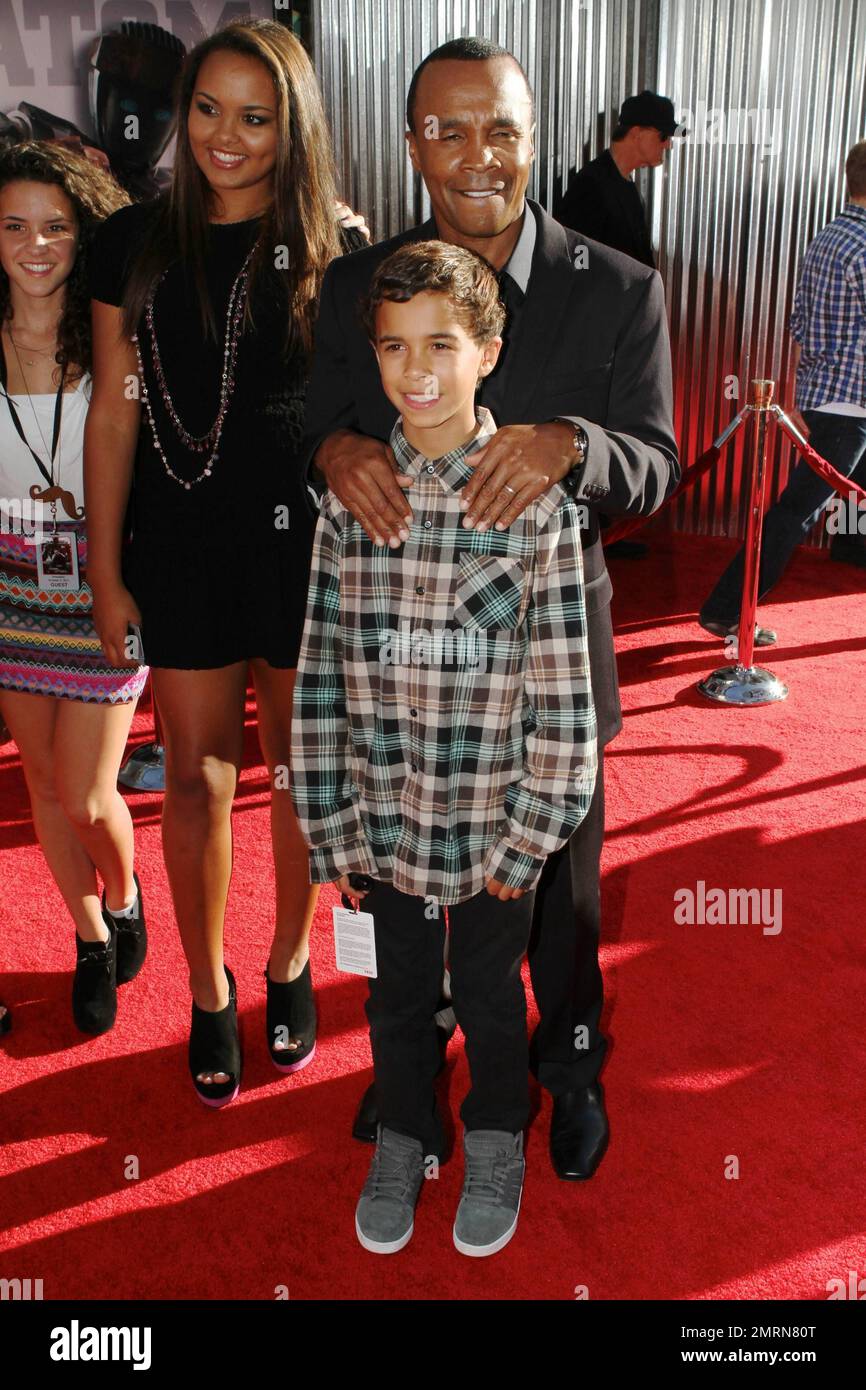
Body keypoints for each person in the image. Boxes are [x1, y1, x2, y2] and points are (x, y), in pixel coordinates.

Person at [302, 37, 679, 1179]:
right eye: (447, 129)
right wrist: (330, 451)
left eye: (501, 128)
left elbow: (657, 465)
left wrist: (576, 447)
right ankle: (408, 1073)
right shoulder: (351, 288)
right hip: (396, 683)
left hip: (544, 685)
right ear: (412, 144)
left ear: (534, 133)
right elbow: (305, 421)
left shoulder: (617, 286)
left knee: (556, 912)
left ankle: (565, 1072)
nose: (478, 156)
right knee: (400, 897)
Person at [292, 240, 598, 1255]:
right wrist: (329, 829)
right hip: (381, 824)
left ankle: (499, 1131)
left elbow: (562, 697)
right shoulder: (351, 501)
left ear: (488, 351)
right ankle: (403, 1131)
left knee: (489, 999)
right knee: (390, 998)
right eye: (390, 347)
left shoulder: (535, 510)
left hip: (488, 836)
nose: (413, 370)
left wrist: (527, 841)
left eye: (438, 344)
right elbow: (323, 675)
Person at [85, 18, 365, 1106]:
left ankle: (288, 960)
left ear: (290, 125)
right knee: (195, 781)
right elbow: (112, 415)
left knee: (298, 778)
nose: (226, 136)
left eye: (255, 116)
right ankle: (208, 992)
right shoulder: (129, 242)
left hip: (301, 548)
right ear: (181, 111)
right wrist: (107, 572)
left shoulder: (334, 244)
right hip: (180, 538)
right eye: (208, 109)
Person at [0, 141, 148, 1037]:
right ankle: (90, 935)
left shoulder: (112, 340)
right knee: (44, 791)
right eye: (14, 225)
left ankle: (126, 895)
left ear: (83, 234)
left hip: (103, 583)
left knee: (90, 795)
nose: (36, 244)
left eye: (56, 225)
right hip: (12, 588)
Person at [699, 139, 866, 643]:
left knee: (796, 510)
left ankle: (728, 607)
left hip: (826, 395)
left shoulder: (827, 237)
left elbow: (798, 322)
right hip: (851, 403)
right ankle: (727, 608)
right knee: (796, 512)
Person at [556, 90, 684, 269]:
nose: (668, 144)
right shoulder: (591, 186)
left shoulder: (624, 183)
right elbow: (576, 262)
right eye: (663, 136)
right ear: (636, 133)